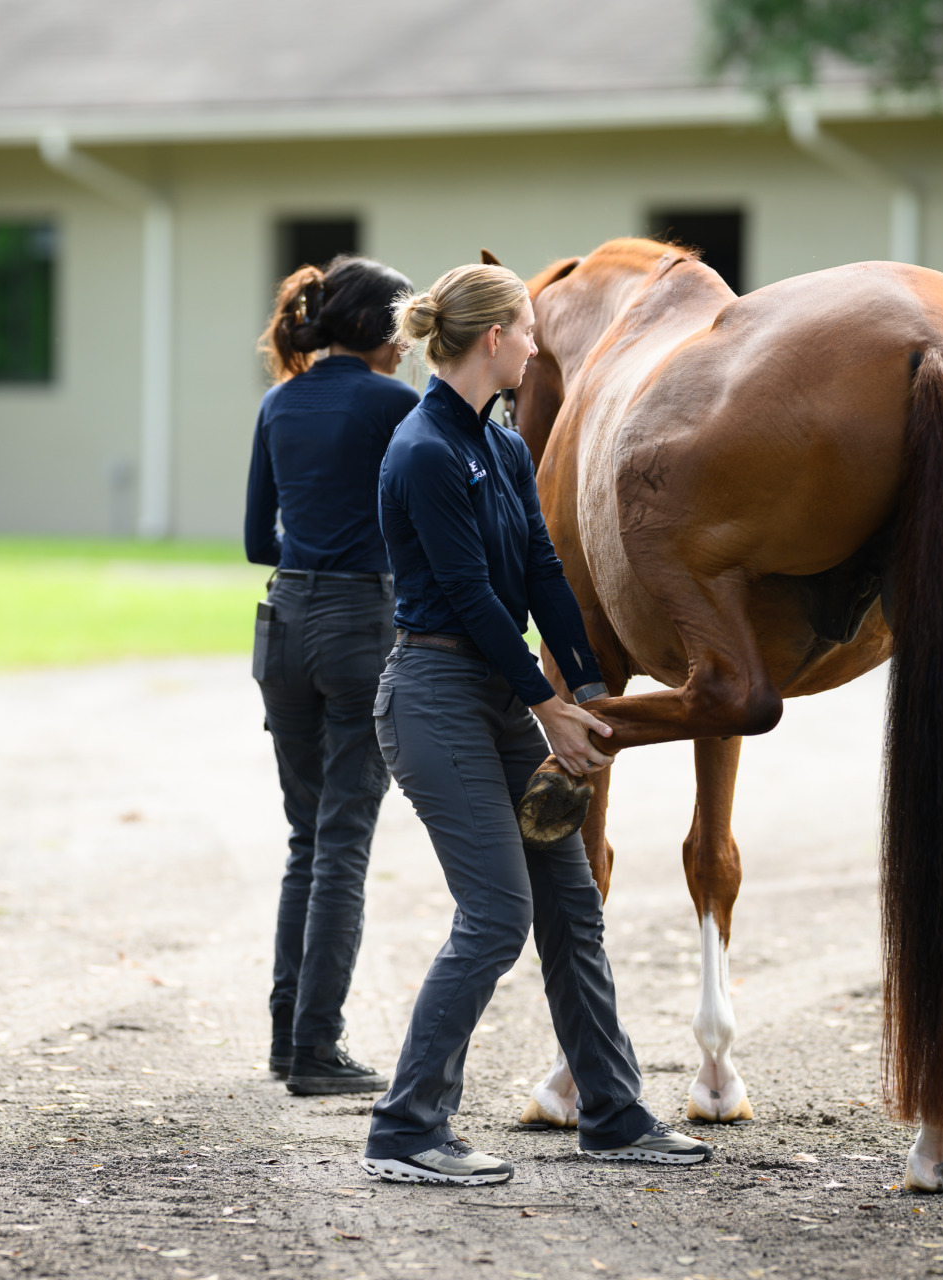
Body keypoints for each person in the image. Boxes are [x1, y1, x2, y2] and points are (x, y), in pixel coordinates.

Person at [359, 263, 712, 1185]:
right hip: (434, 697)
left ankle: (614, 1113)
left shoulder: (505, 444)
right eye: (527, 329)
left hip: (492, 690)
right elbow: (471, 596)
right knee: (496, 917)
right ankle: (404, 1130)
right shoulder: (423, 450)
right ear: (493, 340)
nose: (536, 345)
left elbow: (544, 573)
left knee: (570, 904)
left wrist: (587, 688)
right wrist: (546, 704)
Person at [245, 256, 421, 1095]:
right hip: (359, 624)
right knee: (345, 840)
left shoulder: (278, 403)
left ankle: (290, 1039)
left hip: (282, 621)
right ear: (382, 329)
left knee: (307, 838)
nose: (409, 343)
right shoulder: (394, 405)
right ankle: (318, 1051)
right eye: (405, 325)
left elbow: (258, 539)